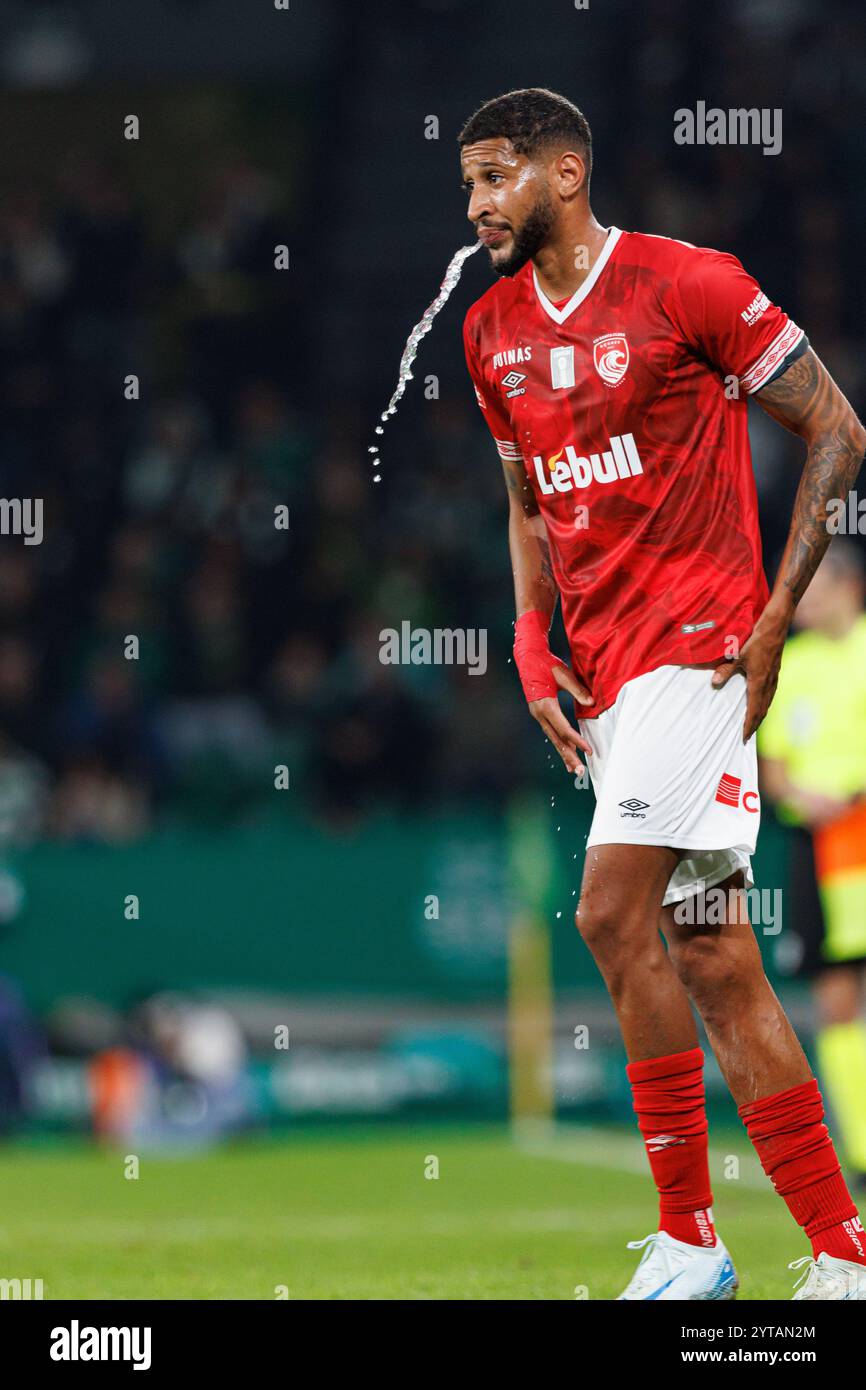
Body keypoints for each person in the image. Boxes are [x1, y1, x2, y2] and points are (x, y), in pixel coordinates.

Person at [459, 87, 866, 1300]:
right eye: (468, 185)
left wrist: (774, 615)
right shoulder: (488, 334)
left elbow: (837, 429)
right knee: (714, 955)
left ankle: (689, 1238)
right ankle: (843, 1253)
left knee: (604, 914)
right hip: (613, 679)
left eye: (494, 177)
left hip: (696, 652)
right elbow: (529, 501)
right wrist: (531, 641)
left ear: (564, 174)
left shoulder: (685, 284)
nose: (477, 204)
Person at [759, 541, 866, 1191]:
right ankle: (860, 1150)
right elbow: (773, 768)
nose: (798, 597)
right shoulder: (788, 665)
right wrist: (805, 797)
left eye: (811, 585)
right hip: (817, 849)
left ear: (849, 586)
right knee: (835, 998)